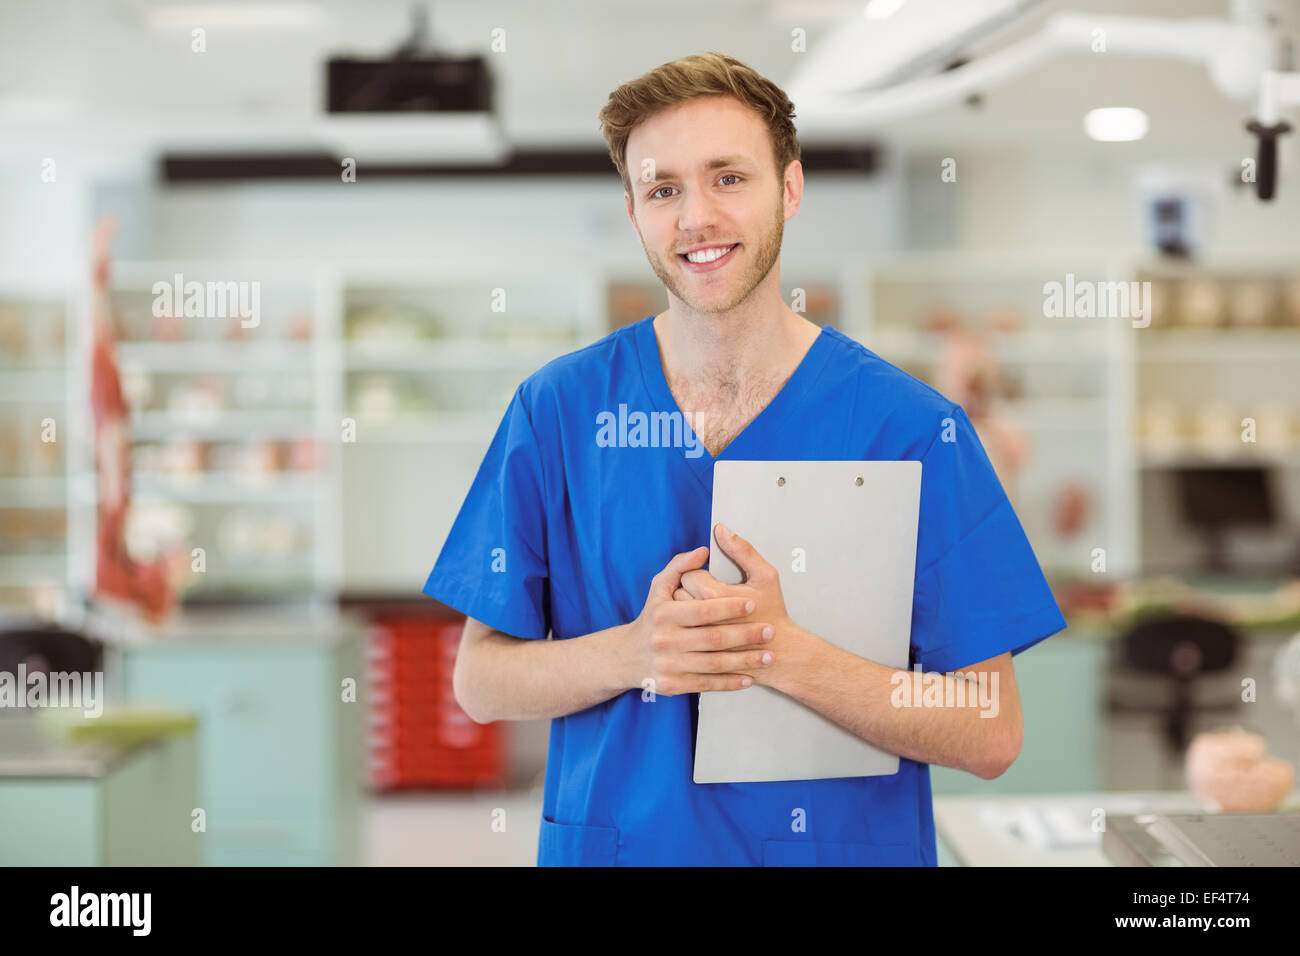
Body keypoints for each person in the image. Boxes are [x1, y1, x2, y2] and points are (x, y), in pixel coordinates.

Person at [423, 52, 1066, 866]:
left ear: (789, 190)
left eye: (729, 178)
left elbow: (990, 728)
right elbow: (479, 682)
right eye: (664, 189)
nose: (697, 217)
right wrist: (634, 651)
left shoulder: (911, 428)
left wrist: (790, 657)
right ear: (634, 212)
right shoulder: (559, 412)